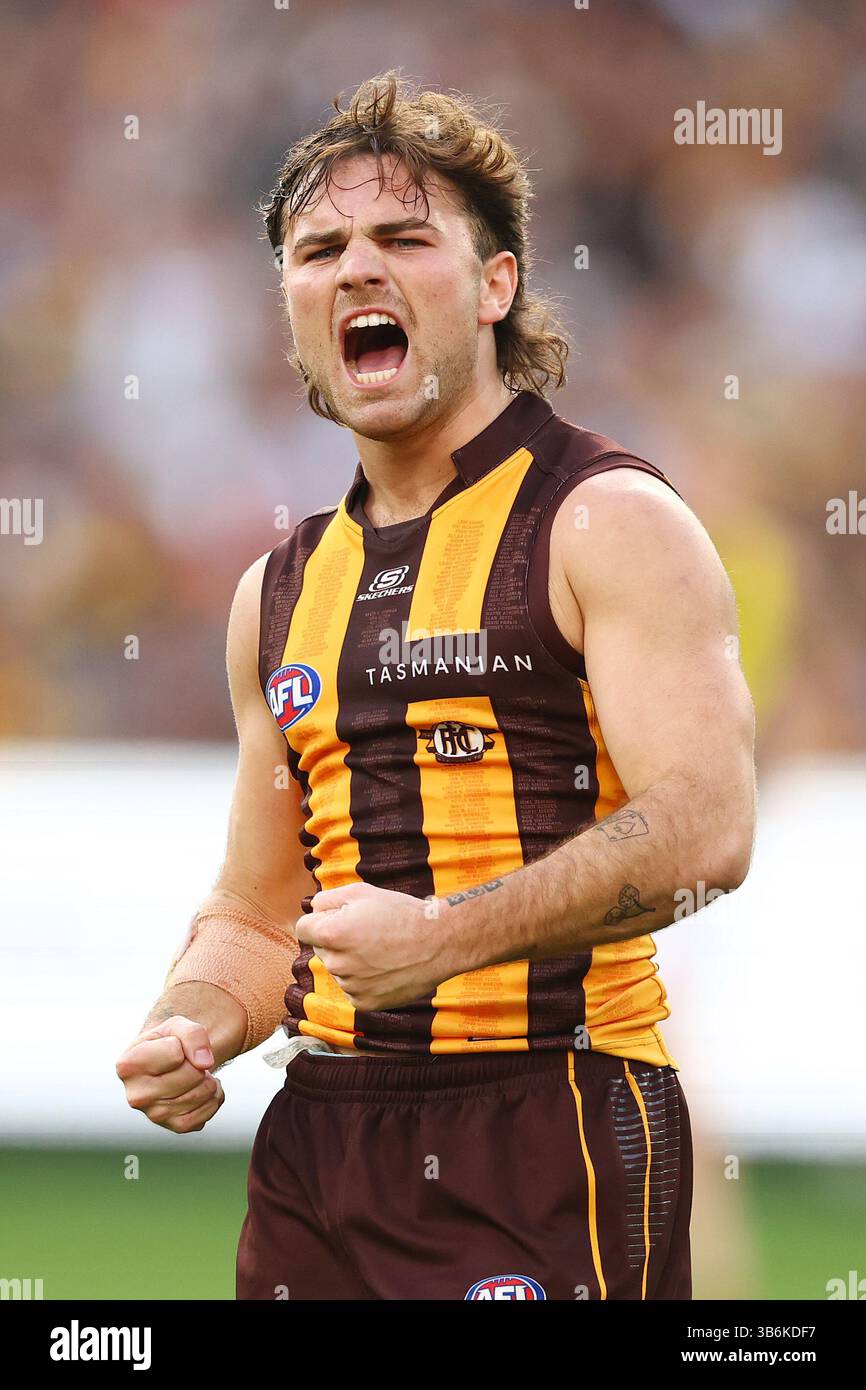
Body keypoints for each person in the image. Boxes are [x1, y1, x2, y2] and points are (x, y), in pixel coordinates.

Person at [116, 72, 755, 1302]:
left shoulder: (602, 518)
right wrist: (190, 1021)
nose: (357, 269)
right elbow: (257, 910)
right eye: (319, 250)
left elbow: (707, 830)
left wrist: (443, 940)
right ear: (290, 307)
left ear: (494, 285)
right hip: (320, 1141)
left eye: (404, 238)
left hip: (551, 1113)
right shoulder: (279, 588)